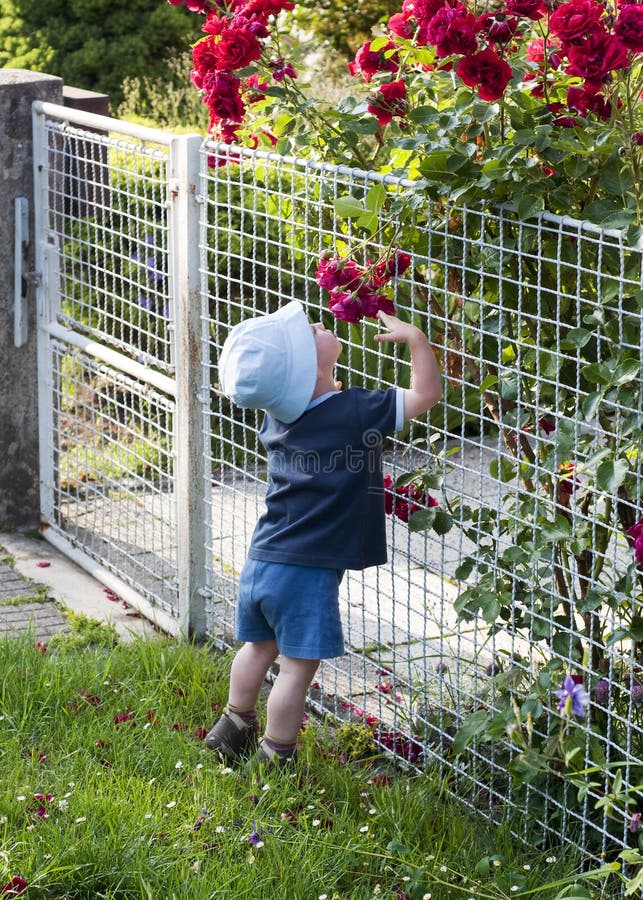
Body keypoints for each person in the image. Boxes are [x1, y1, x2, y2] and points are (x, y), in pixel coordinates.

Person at [205, 299, 442, 772]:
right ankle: (275, 756)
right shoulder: (354, 410)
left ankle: (232, 728)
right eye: (308, 333)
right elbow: (426, 394)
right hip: (305, 573)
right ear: (307, 372)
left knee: (258, 649)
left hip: (263, 558)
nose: (318, 322)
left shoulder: (277, 416)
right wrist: (416, 339)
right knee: (295, 670)